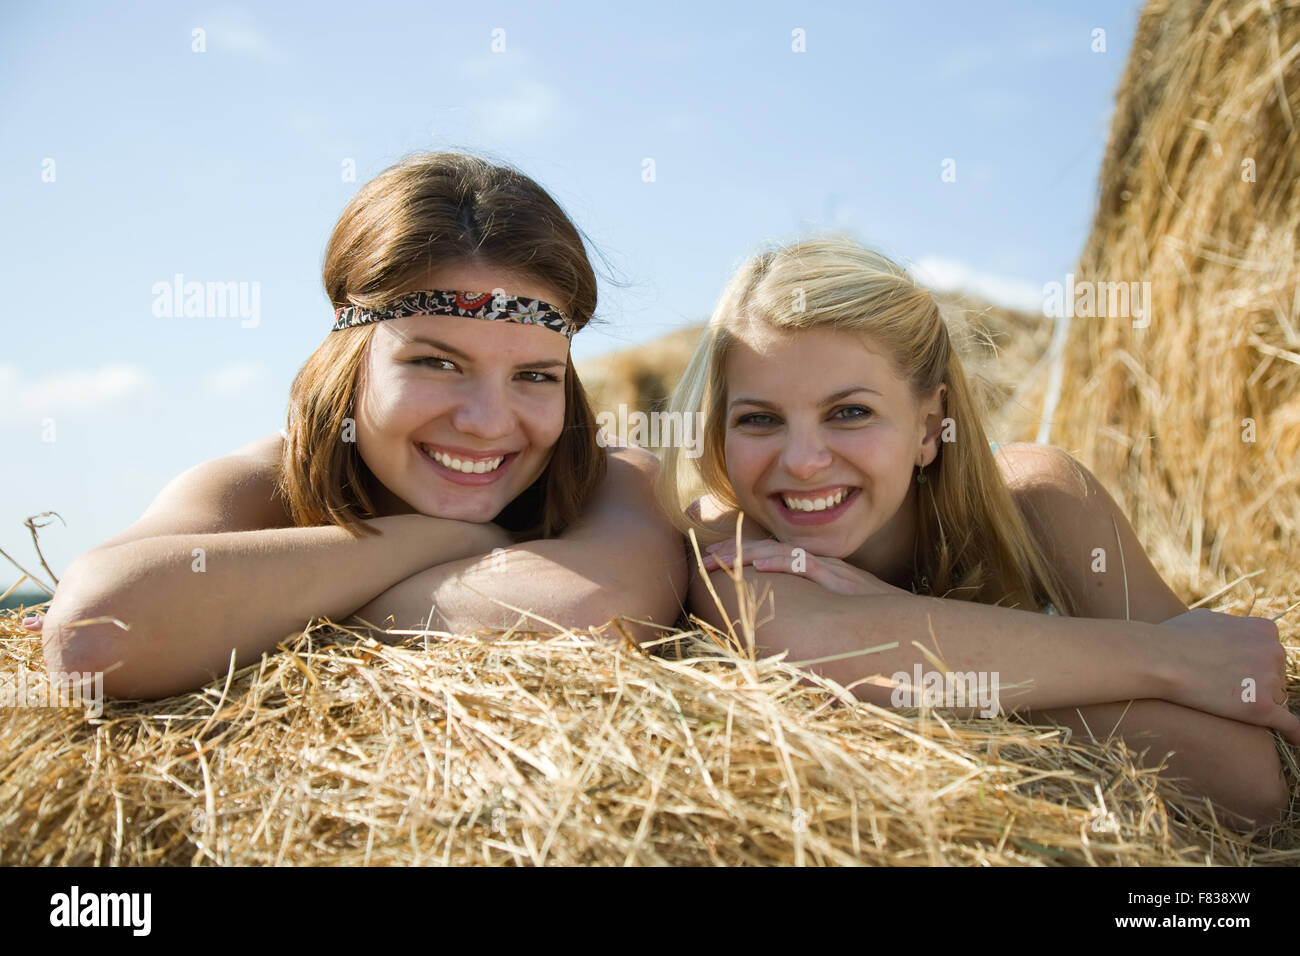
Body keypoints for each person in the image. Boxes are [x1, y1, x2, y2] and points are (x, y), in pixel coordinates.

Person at [658, 236, 1295, 829]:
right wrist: (1168, 662)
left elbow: (1248, 782)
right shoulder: (727, 543)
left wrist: (893, 630)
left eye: (850, 412)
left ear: (931, 425)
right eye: (760, 419)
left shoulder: (1043, 503)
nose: (802, 459)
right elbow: (819, 648)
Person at [40, 152, 686, 700]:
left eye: (536, 375)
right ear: (352, 361)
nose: (487, 422)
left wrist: (256, 616)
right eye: (437, 363)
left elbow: (597, 612)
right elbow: (94, 636)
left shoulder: (614, 478)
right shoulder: (262, 480)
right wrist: (442, 539)